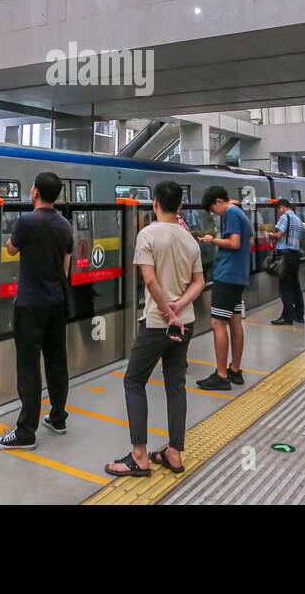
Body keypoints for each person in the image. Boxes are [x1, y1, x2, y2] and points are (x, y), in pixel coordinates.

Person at [106, 181, 206, 477]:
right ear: (181, 207)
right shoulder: (190, 239)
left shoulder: (147, 234)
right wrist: (178, 306)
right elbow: (199, 282)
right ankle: (174, 453)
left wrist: (165, 310)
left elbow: (149, 281)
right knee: (176, 384)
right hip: (185, 322)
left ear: (155, 204)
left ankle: (139, 456)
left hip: (157, 324)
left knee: (134, 382)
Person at [0, 172, 75, 450]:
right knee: (56, 361)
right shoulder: (65, 225)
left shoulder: (26, 221)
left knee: (28, 366)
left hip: (30, 303)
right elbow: (65, 266)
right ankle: (57, 417)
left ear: (35, 192)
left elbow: (11, 250)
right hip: (56, 302)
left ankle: (25, 432)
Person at [197, 186, 252, 391]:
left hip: (227, 275)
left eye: (213, 209)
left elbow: (234, 243)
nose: (214, 213)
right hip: (238, 275)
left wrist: (213, 240)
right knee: (234, 320)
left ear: (219, 202)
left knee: (217, 323)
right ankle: (235, 370)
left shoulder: (230, 213)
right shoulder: (238, 212)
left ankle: (221, 375)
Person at [270, 198, 305, 326]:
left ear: (282, 207)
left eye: (279, 209)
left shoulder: (284, 217)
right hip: (295, 255)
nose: (279, 212)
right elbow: (303, 235)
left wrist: (270, 234)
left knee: (285, 287)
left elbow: (279, 235)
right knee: (295, 286)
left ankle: (287, 317)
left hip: (285, 254)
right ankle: (299, 315)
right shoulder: (297, 219)